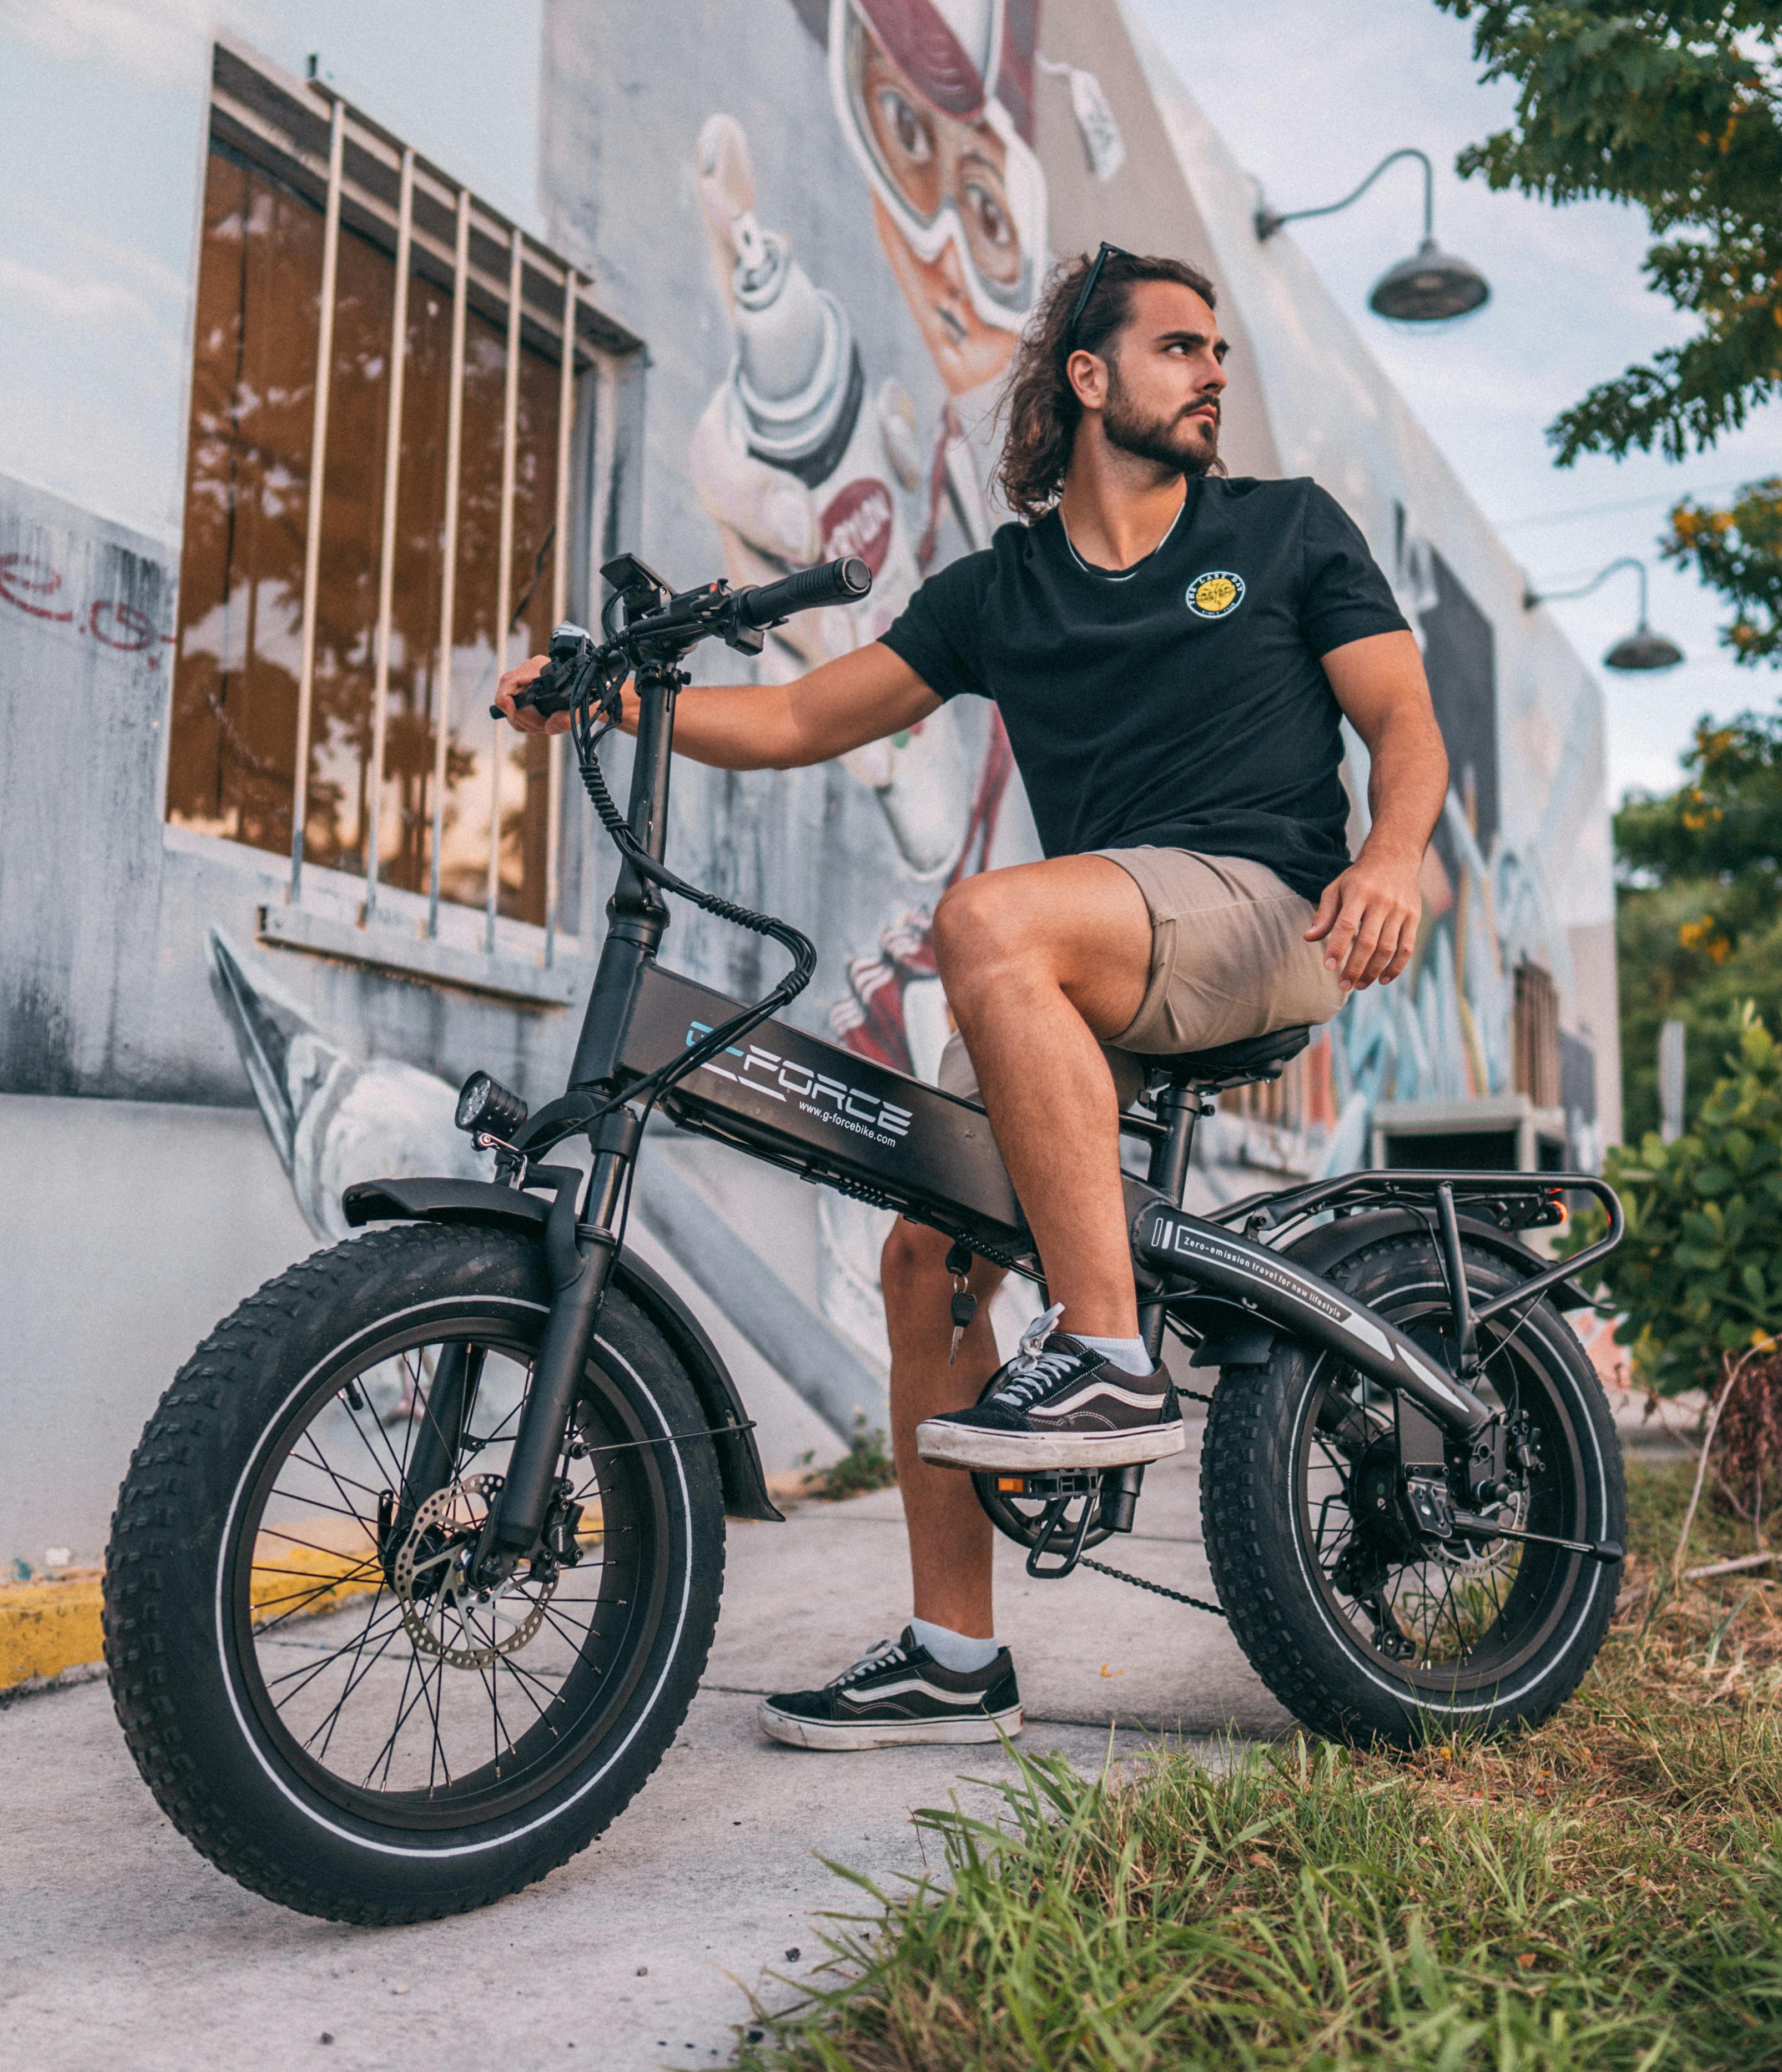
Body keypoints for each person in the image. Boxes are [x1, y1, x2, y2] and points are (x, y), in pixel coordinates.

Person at [500, 247, 1448, 1751]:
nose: (1214, 375)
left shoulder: (1284, 533)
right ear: (1089, 378)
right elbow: (813, 711)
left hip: (1274, 912)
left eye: (1220, 353)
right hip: (1105, 956)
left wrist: (1392, 854)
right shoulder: (1003, 592)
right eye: (1181, 348)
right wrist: (617, 699)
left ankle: (1107, 1350)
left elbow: (1400, 715)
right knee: (926, 1254)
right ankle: (955, 1658)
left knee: (989, 923)